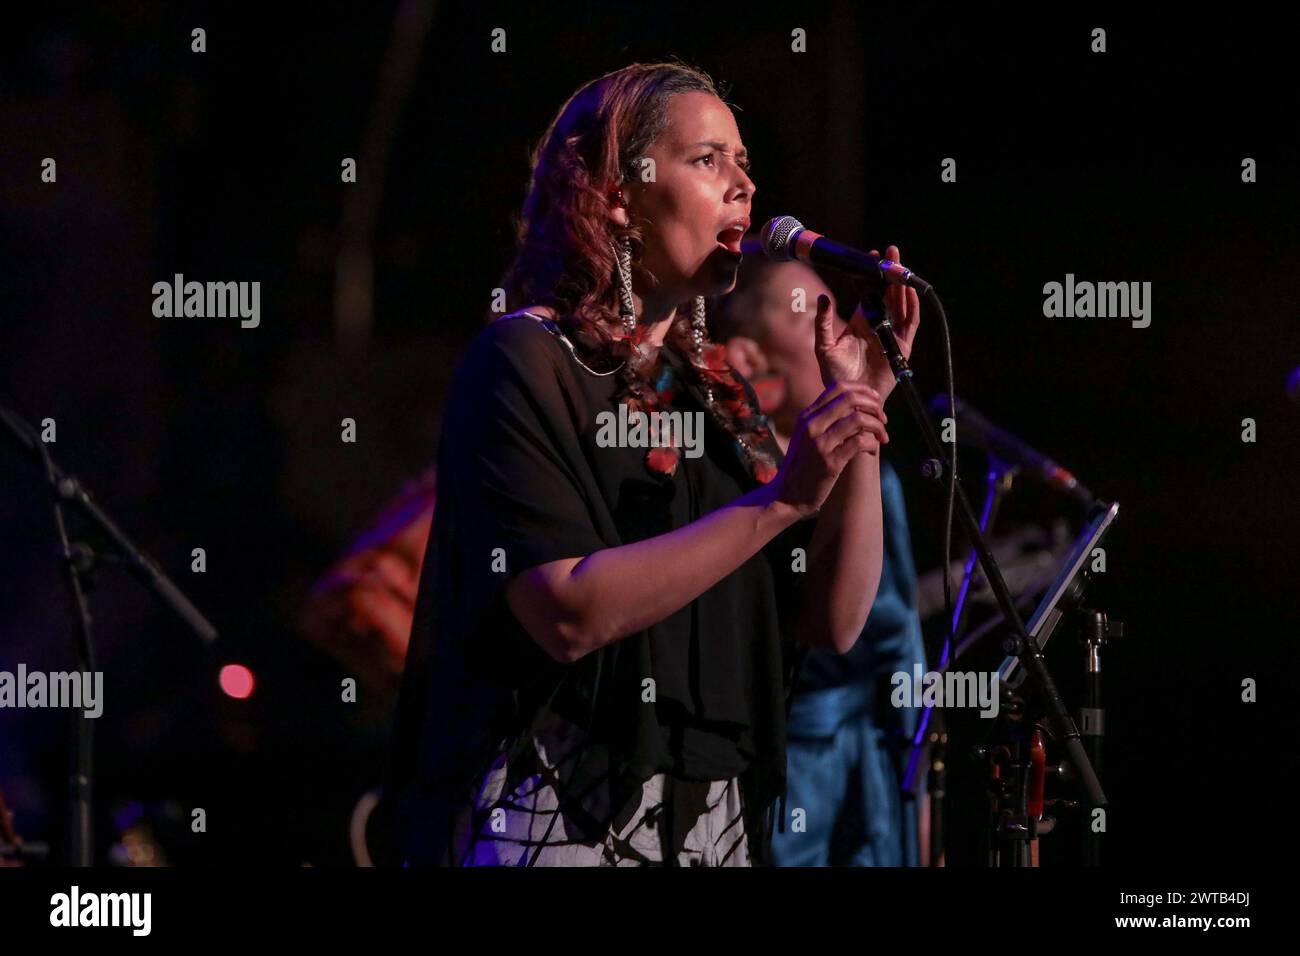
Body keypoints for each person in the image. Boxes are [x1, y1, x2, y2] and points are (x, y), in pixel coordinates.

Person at [380, 61, 920, 867]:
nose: (743, 185)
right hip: (553, 813)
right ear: (618, 194)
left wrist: (863, 422)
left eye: (743, 163)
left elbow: (833, 623)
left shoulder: (717, 396)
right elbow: (566, 613)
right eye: (708, 160)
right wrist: (779, 501)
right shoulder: (528, 359)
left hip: (715, 825)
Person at [713, 258, 927, 866]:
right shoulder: (721, 479)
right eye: (810, 314)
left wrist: (919, 811)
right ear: (746, 357)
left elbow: (899, 650)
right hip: (778, 775)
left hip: (873, 775)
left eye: (834, 306)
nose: (835, 333)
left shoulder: (872, 482)